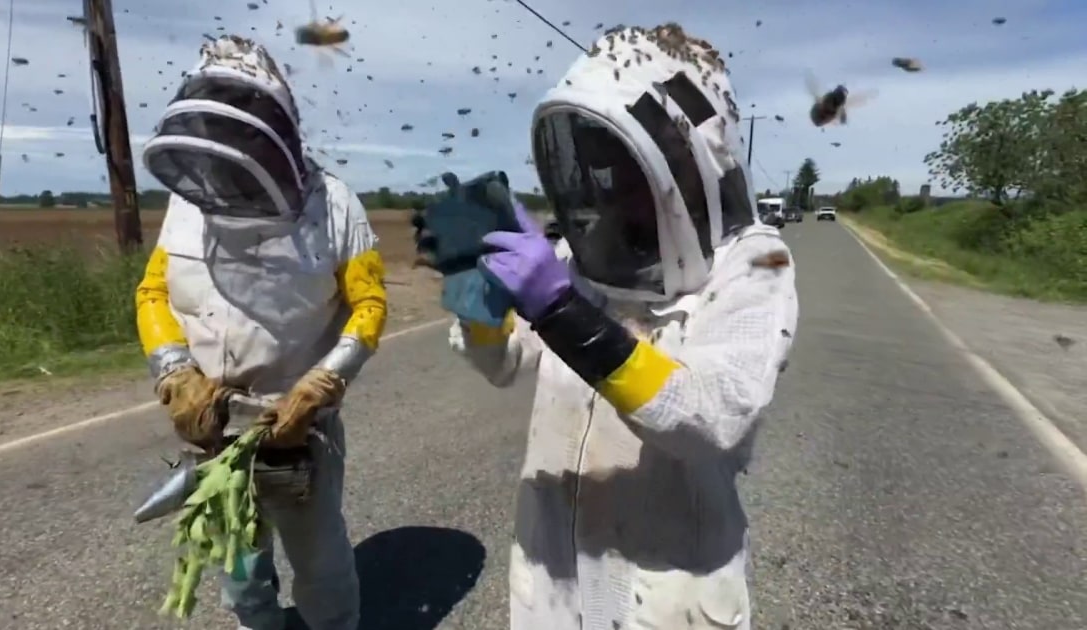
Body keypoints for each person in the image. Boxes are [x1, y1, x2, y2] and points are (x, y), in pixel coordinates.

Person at [415, 24, 798, 629]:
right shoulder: (585, 252)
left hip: (670, 587)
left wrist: (566, 314)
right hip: (553, 580)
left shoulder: (754, 264)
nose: (619, 191)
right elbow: (508, 365)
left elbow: (712, 418)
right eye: (606, 169)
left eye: (633, 170)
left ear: (685, 166)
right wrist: (477, 301)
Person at [134, 35, 386, 630]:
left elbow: (370, 304)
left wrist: (323, 383)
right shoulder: (187, 204)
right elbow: (152, 294)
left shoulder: (337, 206)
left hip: (299, 427)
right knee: (238, 565)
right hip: (214, 427)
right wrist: (174, 375)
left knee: (320, 562)